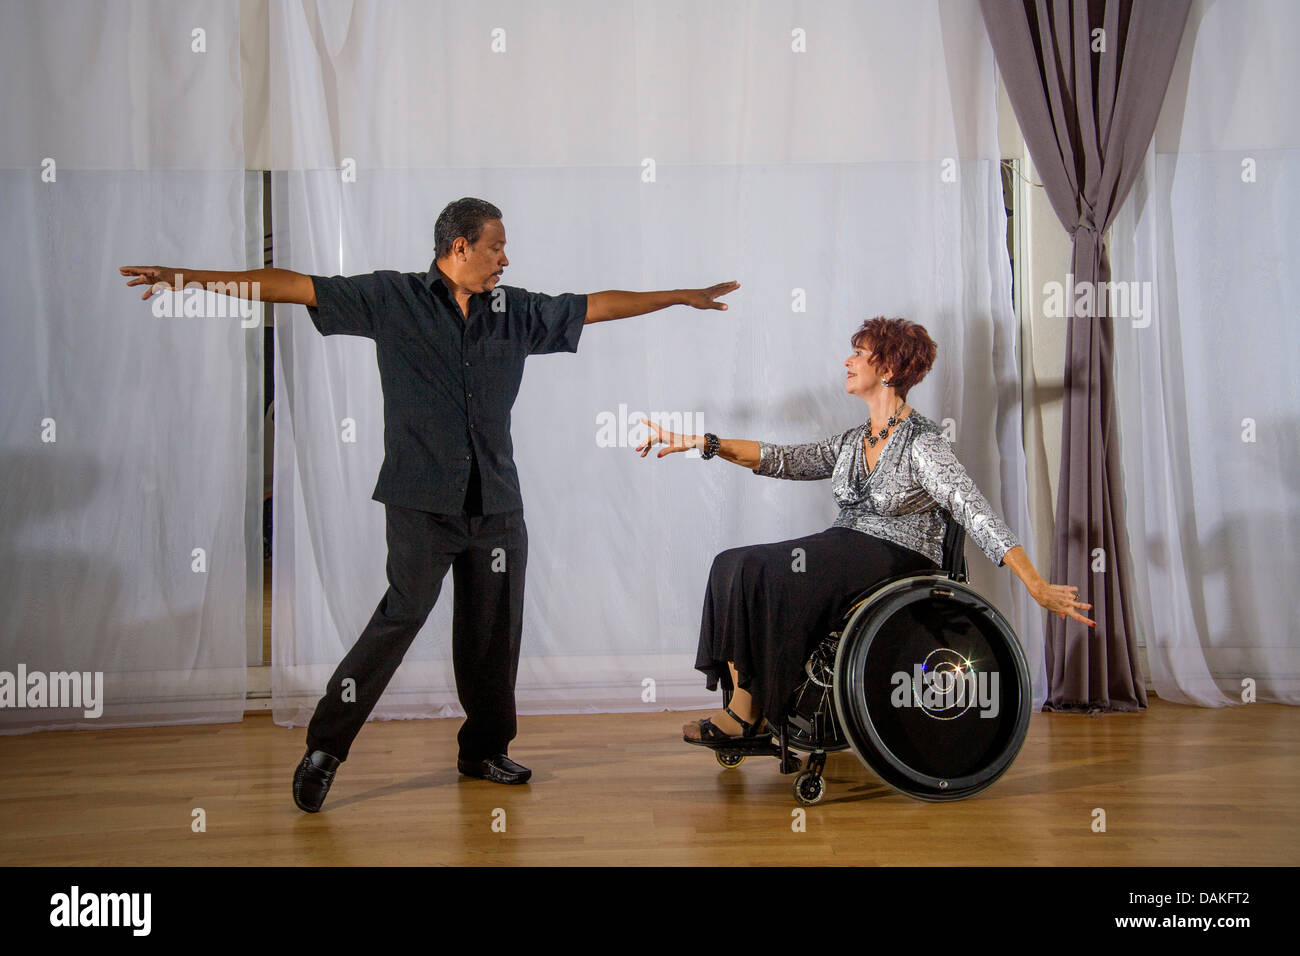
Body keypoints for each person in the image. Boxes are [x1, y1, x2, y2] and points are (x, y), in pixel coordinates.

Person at [120, 197, 739, 811]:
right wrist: (188, 278)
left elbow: (595, 305)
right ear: (459, 246)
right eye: (496, 245)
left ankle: (483, 749)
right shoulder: (392, 298)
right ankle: (325, 749)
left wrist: (678, 296)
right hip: (421, 500)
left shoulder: (513, 309)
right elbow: (291, 287)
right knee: (401, 616)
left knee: (493, 632)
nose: (506, 257)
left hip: (496, 504)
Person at [634, 316, 1094, 746]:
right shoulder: (856, 440)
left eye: (859, 353)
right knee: (730, 562)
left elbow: (975, 511)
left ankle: (746, 712)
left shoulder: (922, 442)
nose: (847, 361)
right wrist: (705, 443)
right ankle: (750, 705)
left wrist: (1034, 583)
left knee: (763, 568)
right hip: (849, 544)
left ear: (889, 367)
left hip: (899, 554)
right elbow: (787, 458)